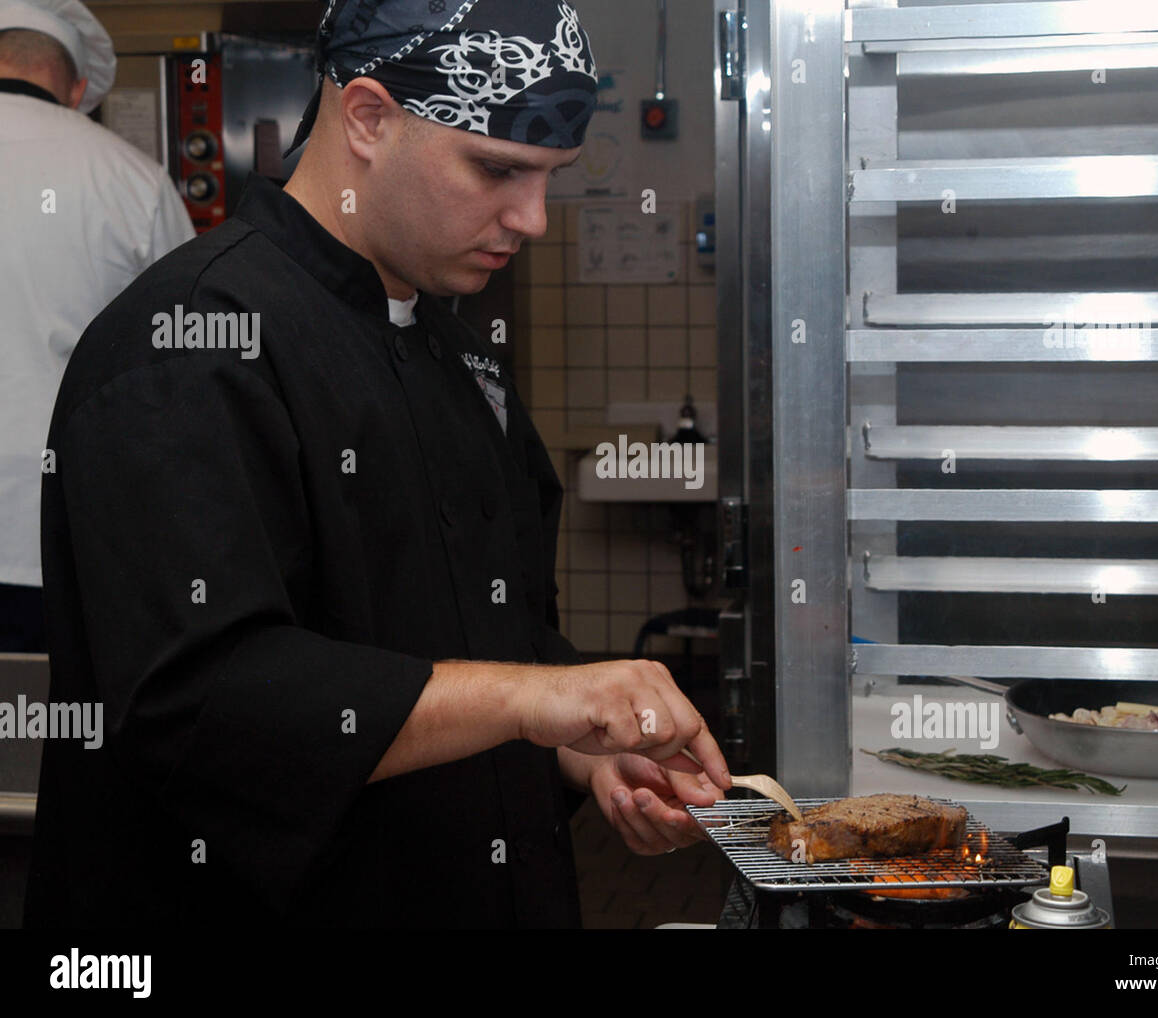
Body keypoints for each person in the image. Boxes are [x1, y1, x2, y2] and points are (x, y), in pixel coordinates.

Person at [24, 0, 730, 929]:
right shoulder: (190, 346)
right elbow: (204, 705)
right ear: (367, 117)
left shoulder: (457, 348)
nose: (534, 219)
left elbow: (493, 630)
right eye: (498, 169)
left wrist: (583, 747)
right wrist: (534, 699)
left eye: (549, 178)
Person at [0, 0, 194, 651]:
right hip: (67, 530)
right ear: (78, 88)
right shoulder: (135, 181)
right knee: (53, 733)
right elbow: (186, 369)